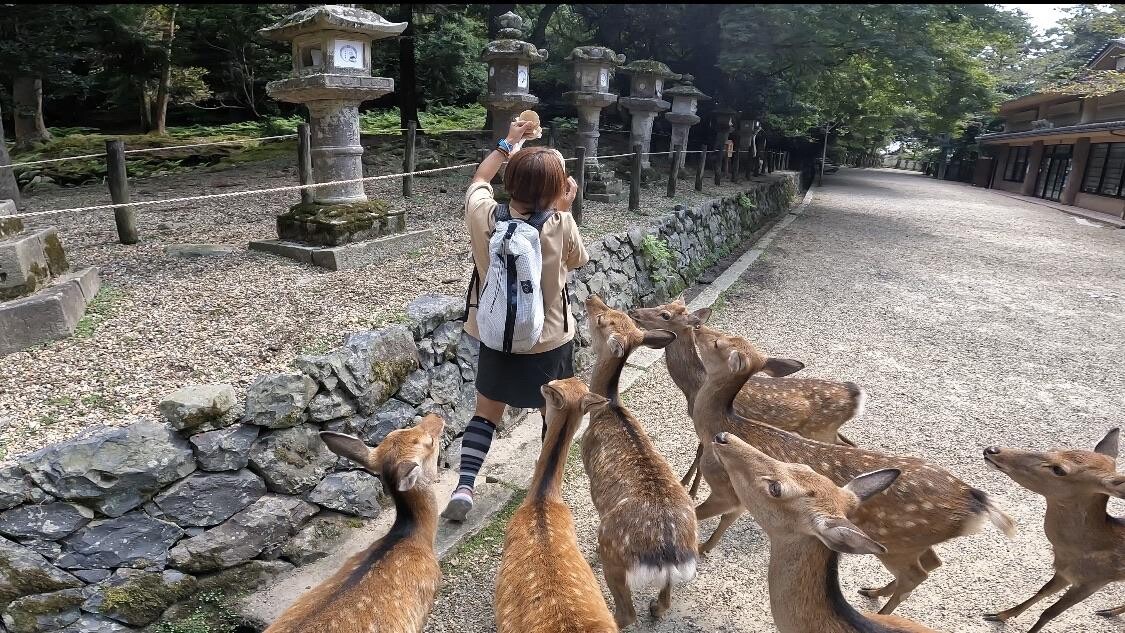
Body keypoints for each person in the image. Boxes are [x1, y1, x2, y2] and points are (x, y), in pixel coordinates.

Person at [442, 119, 588, 521]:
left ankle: (465, 486)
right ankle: (545, 489)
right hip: (549, 337)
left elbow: (479, 178)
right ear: (558, 188)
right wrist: (563, 208)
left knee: (485, 413)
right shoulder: (560, 223)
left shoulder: (484, 216)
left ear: (510, 182)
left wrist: (510, 142)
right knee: (552, 413)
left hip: (495, 334)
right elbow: (577, 260)